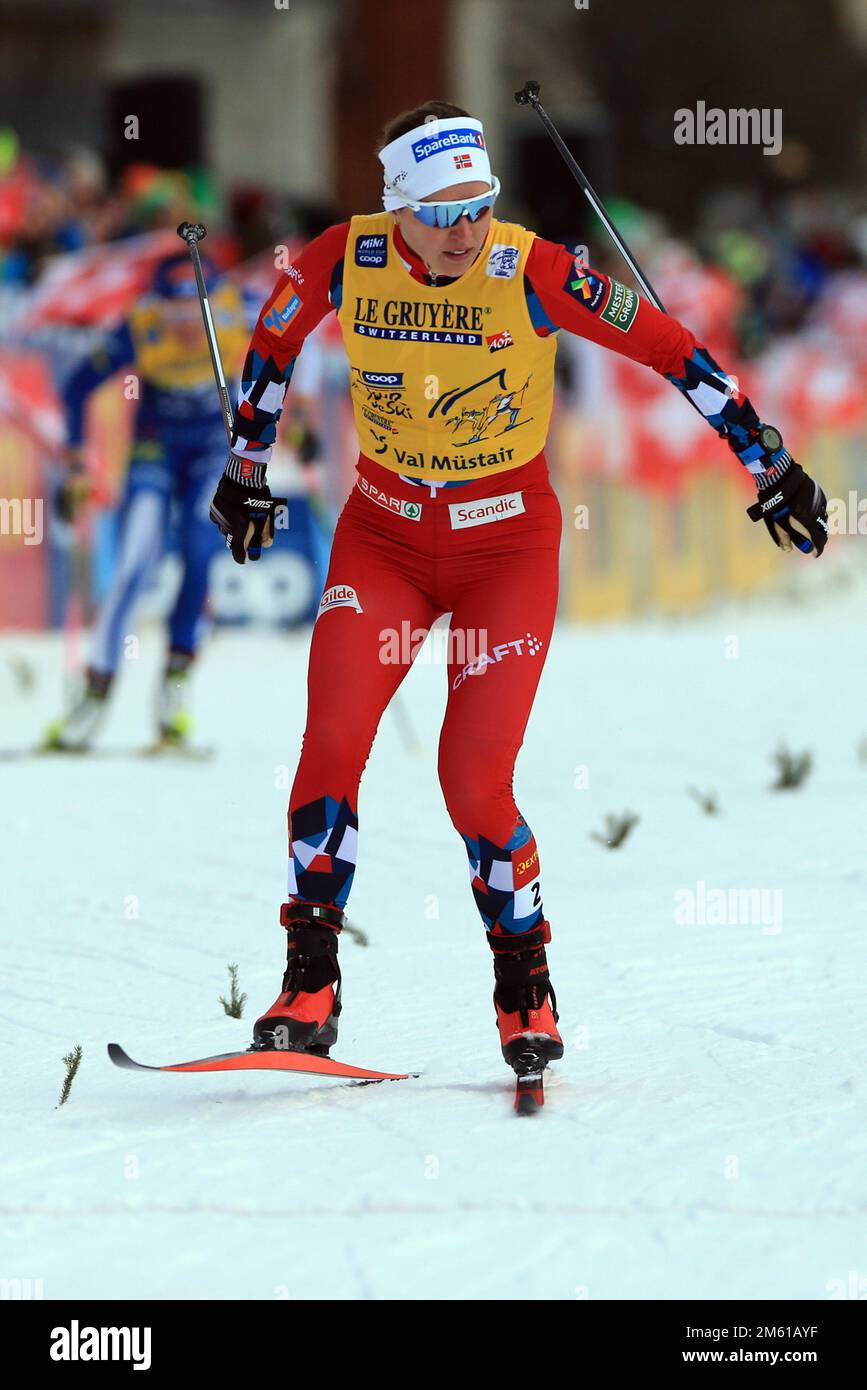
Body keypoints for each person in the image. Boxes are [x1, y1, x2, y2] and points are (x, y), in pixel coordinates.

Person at [208, 102, 829, 1078]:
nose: (465, 230)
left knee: (472, 778)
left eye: (480, 204)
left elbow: (668, 346)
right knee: (329, 743)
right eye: (441, 212)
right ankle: (309, 985)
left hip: (504, 548)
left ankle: (523, 984)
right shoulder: (343, 257)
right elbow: (272, 343)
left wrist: (769, 461)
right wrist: (245, 469)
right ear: (397, 207)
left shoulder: (530, 268)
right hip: (383, 538)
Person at [44, 252, 251, 752]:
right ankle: (94, 693)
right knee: (136, 563)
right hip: (155, 448)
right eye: (174, 312)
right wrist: (76, 461)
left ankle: (174, 688)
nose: (187, 325)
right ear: (157, 306)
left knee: (199, 554)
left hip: (213, 449)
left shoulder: (241, 310)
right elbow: (75, 389)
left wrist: (298, 417)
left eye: (196, 310)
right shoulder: (138, 327)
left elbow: (299, 340)